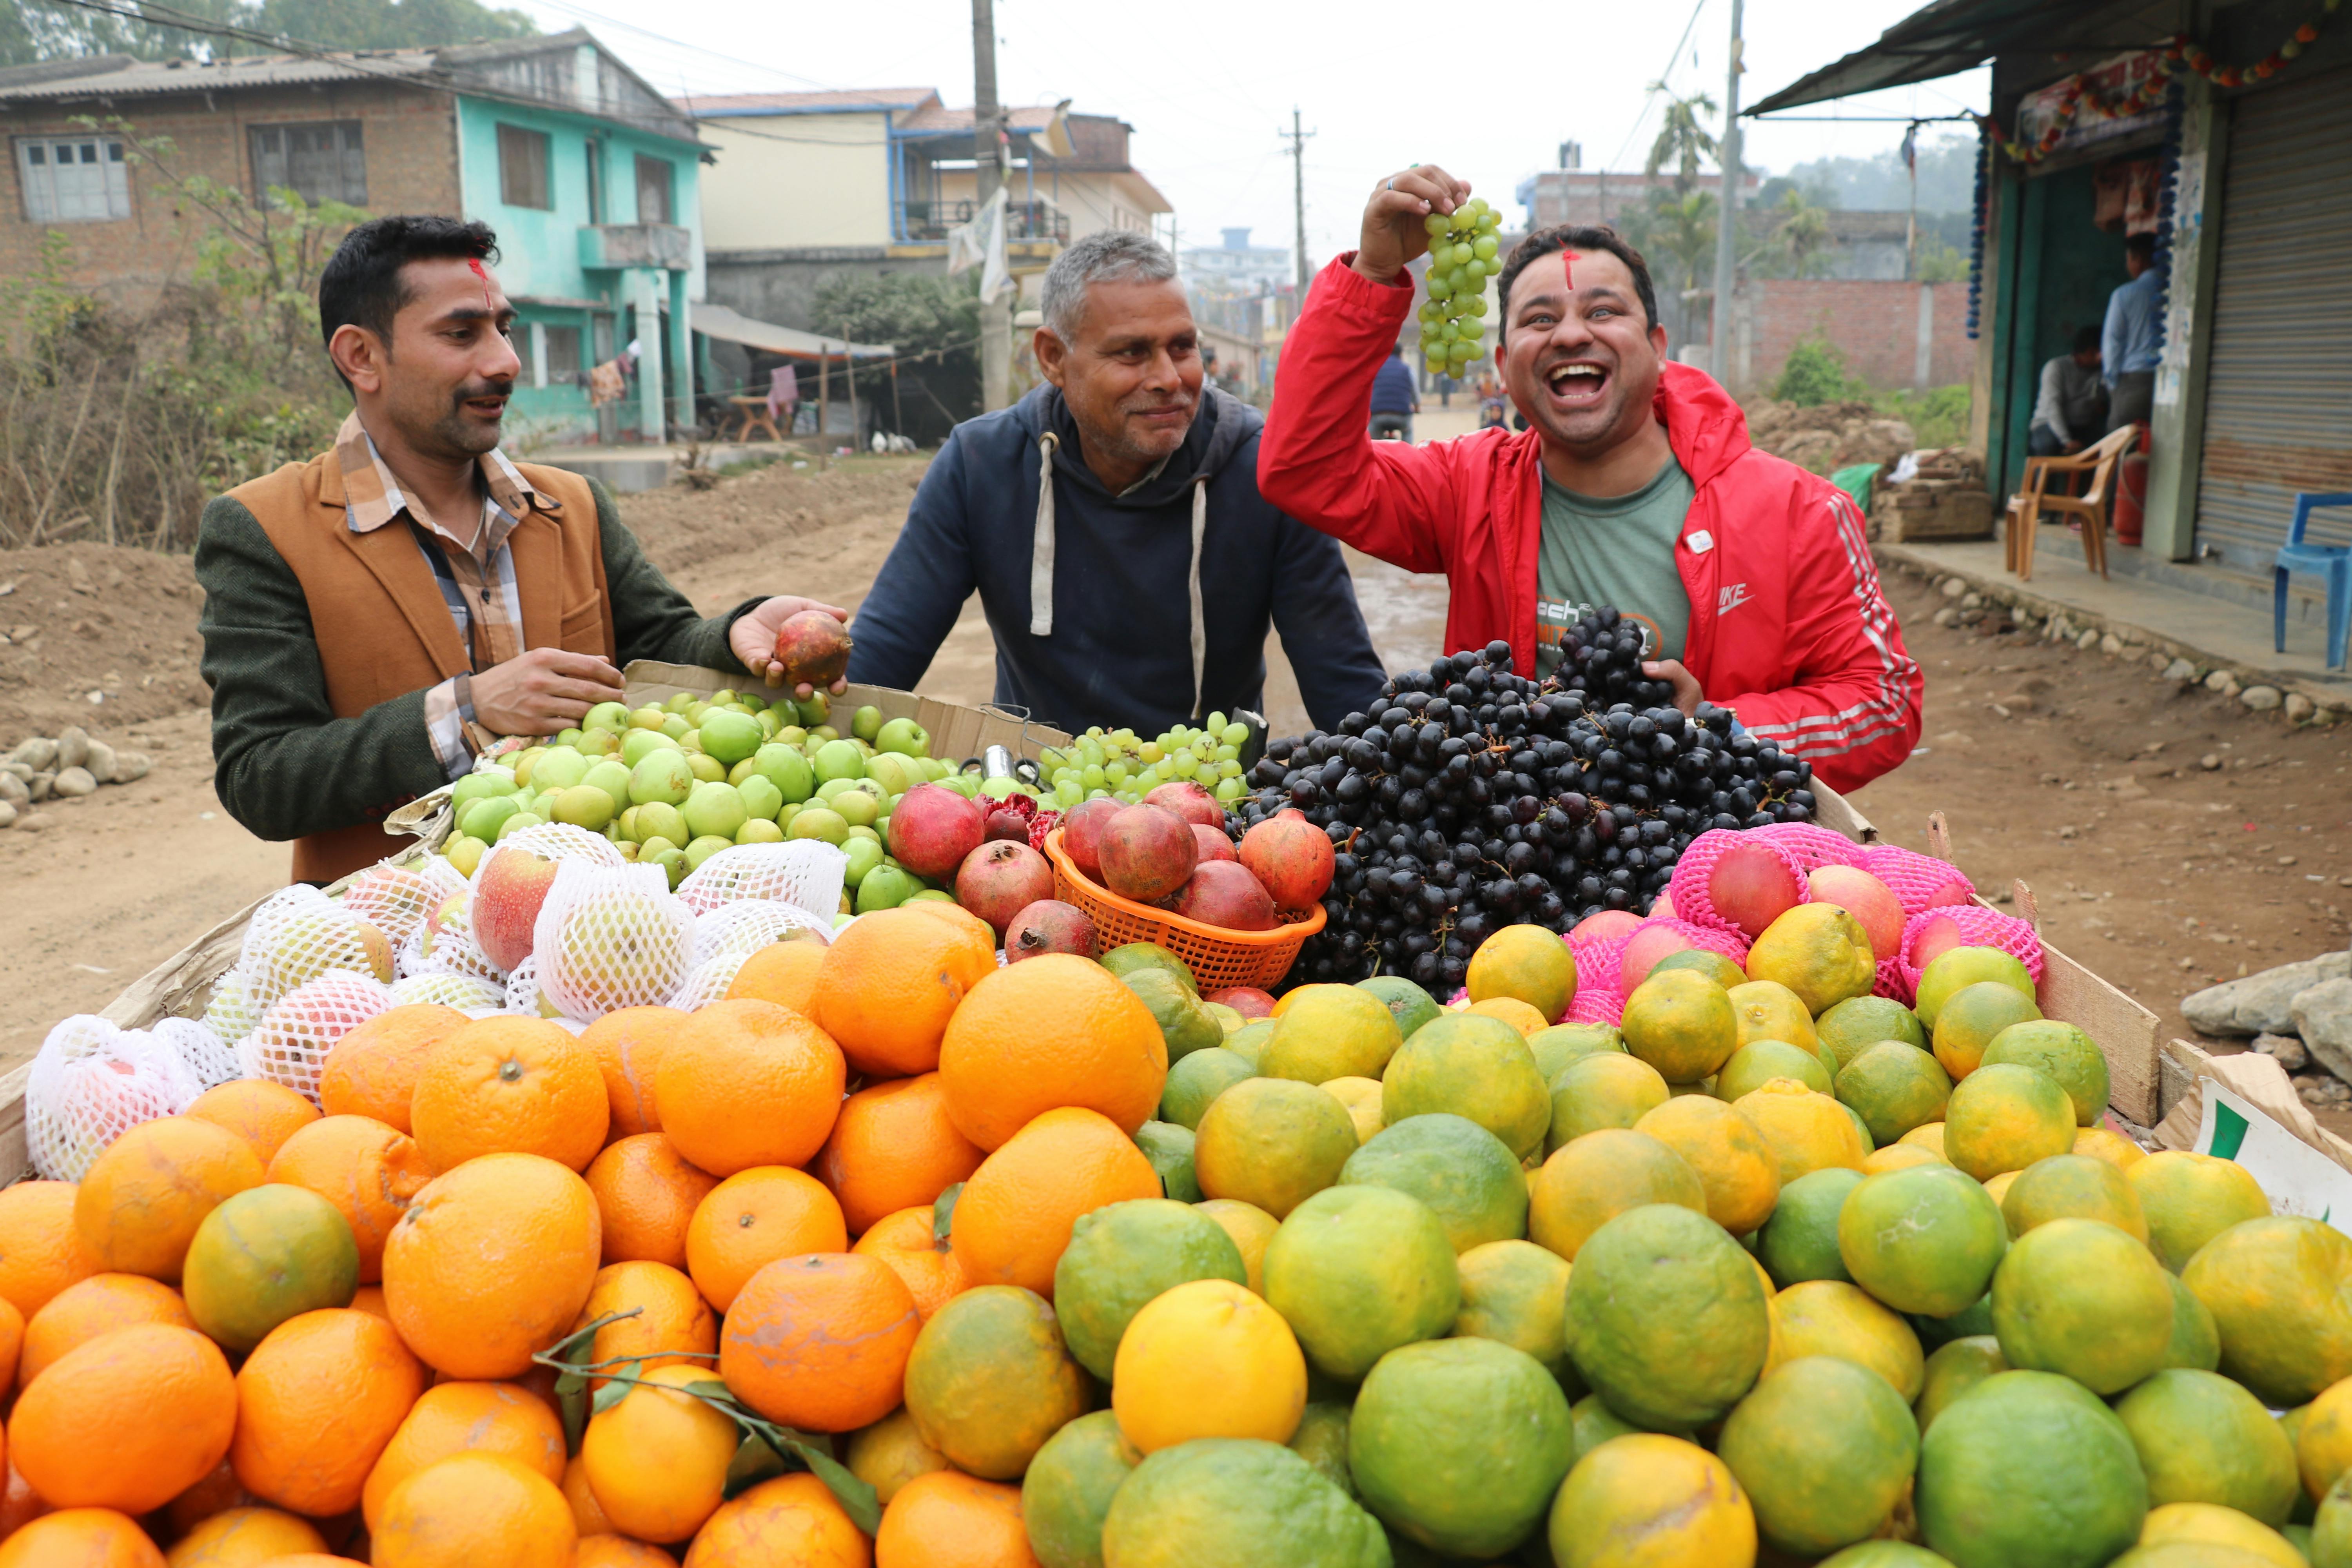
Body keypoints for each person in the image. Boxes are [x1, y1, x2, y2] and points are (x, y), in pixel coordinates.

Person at [196, 215, 846, 884]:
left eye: (503, 328)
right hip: (397, 948)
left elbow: (659, 644)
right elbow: (260, 777)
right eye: (461, 334)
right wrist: (466, 711)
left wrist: (738, 632)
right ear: (361, 357)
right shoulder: (264, 528)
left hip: (595, 922)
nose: (506, 360)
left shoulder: (573, 506)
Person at [1258, 165, 1923, 793]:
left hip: (1709, 882)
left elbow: (1884, 704)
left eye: (1603, 312)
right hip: (1515, 867)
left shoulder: (1798, 513)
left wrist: (1712, 729)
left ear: (1658, 348)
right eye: (1539, 320)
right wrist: (1372, 275)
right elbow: (1305, 469)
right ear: (1504, 363)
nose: (1571, 334)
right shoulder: (1468, 487)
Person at [848, 230, 1387, 736]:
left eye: (1182, 346)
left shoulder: (1265, 471)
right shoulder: (979, 462)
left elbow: (1343, 683)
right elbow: (882, 656)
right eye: (1131, 352)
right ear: (1054, 358)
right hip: (1032, 810)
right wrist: (782, 650)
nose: (1169, 379)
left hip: (1211, 809)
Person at [2102, 232, 2163, 433]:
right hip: (2167, 383)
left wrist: (2112, 384)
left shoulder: (2124, 294)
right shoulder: (2173, 291)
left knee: (2118, 444)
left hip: (2134, 380)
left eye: (2129, 259)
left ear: (2138, 259)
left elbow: (2113, 343)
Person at [2029, 327, 2106, 457]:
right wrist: (2066, 440)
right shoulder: (2056, 367)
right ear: (2090, 352)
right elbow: (2053, 406)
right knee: (2048, 446)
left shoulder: (2102, 371)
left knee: (2104, 447)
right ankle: (2042, 478)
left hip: (2082, 426)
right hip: (2049, 424)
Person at [1370, 344, 1419, 441]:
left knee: (1373, 441)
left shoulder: (1376, 369)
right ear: (1401, 355)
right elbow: (1415, 393)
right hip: (1401, 415)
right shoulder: (1408, 370)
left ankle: (1372, 453)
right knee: (1407, 432)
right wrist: (1417, 407)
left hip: (1378, 415)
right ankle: (1408, 454)